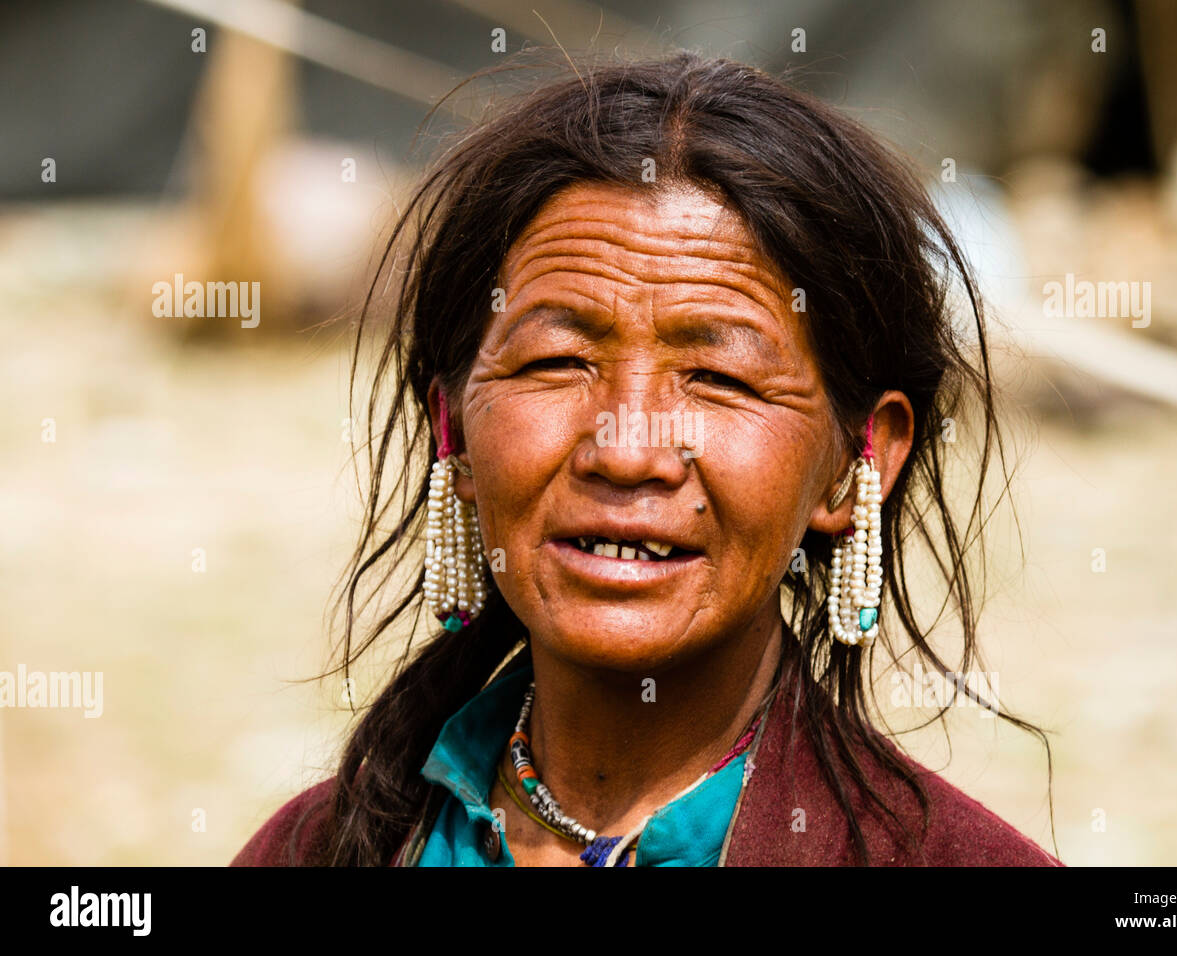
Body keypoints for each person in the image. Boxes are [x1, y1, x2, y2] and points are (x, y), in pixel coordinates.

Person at [232, 52, 1061, 867]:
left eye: (718, 378)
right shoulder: (314, 853)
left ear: (858, 457)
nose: (627, 452)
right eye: (555, 364)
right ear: (451, 426)